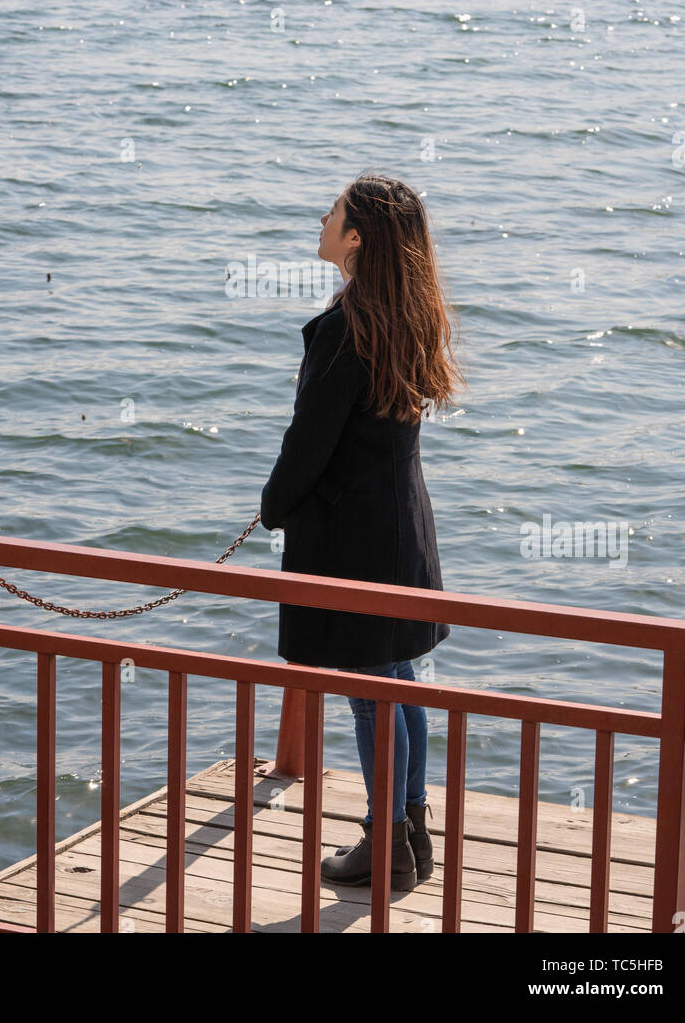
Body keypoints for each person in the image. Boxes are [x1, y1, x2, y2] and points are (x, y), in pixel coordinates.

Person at [259, 171, 465, 893]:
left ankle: (386, 844)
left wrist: (272, 506)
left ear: (356, 238)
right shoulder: (405, 314)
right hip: (401, 529)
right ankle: (409, 833)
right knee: (398, 683)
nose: (320, 218)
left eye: (333, 213)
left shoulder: (347, 329)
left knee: (372, 691)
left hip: (352, 541)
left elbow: (307, 445)